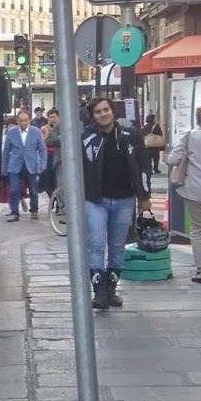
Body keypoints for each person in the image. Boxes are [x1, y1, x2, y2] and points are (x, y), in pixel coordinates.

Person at [81, 96, 151, 310]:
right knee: (96, 244)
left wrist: (144, 196)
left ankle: (111, 290)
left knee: (117, 246)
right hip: (96, 199)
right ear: (92, 116)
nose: (103, 114)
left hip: (124, 199)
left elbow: (143, 165)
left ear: (113, 111)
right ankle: (99, 292)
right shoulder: (86, 138)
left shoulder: (130, 136)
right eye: (98, 112)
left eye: (106, 110)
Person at [169, 104, 201, 284]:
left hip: (193, 190)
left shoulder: (190, 136)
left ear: (197, 118)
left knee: (198, 229)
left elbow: (172, 159)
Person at [1, 110, 47, 221]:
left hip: (31, 165)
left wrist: (43, 164)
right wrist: (4, 166)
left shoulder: (36, 132)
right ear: (17, 121)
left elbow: (42, 149)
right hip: (15, 165)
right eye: (21, 121)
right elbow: (6, 151)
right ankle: (14, 212)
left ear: (29, 120)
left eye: (26, 121)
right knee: (14, 190)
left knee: (33, 190)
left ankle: (34, 210)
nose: (23, 123)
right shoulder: (11, 132)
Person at [40, 108, 61, 200]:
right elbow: (43, 141)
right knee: (47, 181)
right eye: (50, 117)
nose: (52, 119)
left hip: (59, 156)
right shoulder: (44, 129)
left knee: (58, 180)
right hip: (47, 156)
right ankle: (53, 199)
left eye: (54, 117)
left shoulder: (62, 128)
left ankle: (60, 205)